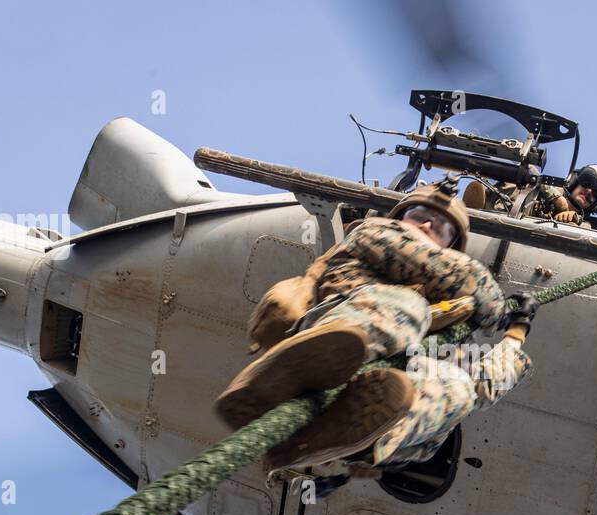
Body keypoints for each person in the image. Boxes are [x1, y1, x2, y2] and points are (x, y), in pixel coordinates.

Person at [214, 180, 537, 473]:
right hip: (342, 322)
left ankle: (343, 437)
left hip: (393, 386)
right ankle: (295, 373)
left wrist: (515, 336)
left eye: (441, 228)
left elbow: (482, 387)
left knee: (460, 389)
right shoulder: (375, 233)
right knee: (407, 307)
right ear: (399, 217)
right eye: (419, 214)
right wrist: (495, 312)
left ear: (450, 245)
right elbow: (467, 279)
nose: (426, 225)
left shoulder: (444, 314)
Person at [525, 164, 597, 224]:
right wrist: (555, 197)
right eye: (587, 183)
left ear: (596, 204)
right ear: (574, 182)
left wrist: (570, 222)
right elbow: (529, 168)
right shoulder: (542, 190)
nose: (589, 191)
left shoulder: (583, 228)